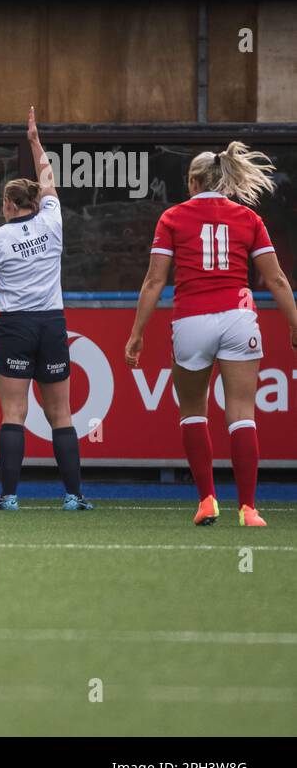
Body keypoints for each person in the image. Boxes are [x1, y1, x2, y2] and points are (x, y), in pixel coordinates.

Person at [125, 142, 297, 527]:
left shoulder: (172, 217)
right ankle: (249, 509)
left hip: (192, 320)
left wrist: (136, 333)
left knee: (193, 412)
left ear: (192, 181)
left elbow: (154, 281)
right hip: (238, 318)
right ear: (223, 178)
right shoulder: (248, 218)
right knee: (242, 414)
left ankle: (206, 500)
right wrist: (294, 323)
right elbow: (277, 279)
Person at [0, 107, 92, 512]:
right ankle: (74, 497)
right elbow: (49, 179)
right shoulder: (52, 220)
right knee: (62, 414)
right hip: (52, 324)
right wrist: (36, 142)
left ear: (8, 202)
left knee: (14, 413)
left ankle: (8, 497)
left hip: (15, 327)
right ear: (35, 202)